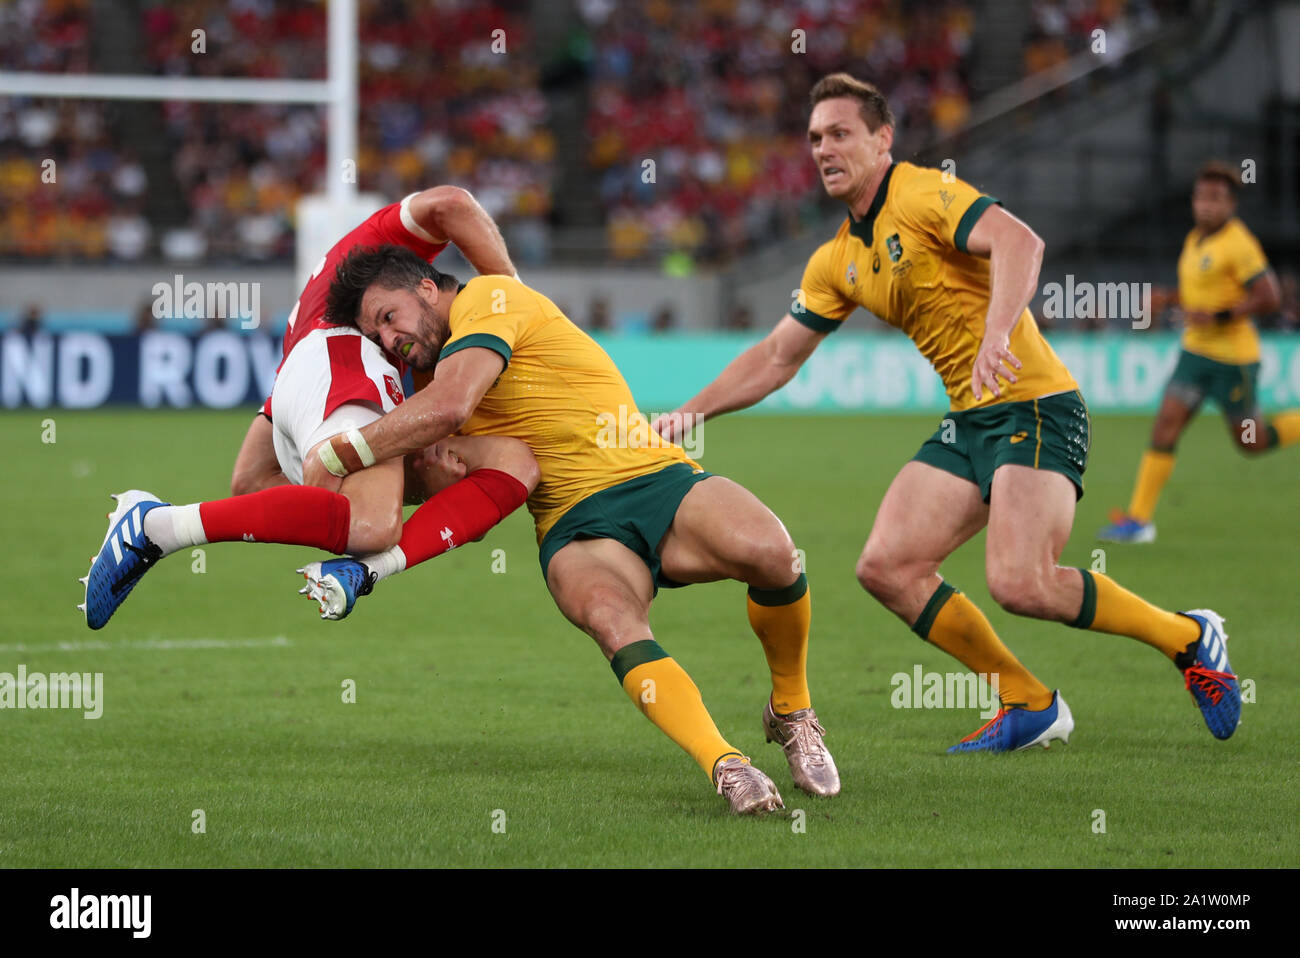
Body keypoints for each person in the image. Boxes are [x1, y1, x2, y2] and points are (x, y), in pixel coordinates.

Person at [652, 73, 1240, 750]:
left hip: (1036, 403)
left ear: (882, 139)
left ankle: (1190, 637)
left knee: (1021, 582)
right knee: (887, 566)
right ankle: (1028, 701)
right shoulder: (837, 259)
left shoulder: (923, 192)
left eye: (840, 133)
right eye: (815, 138)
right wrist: (692, 412)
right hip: (972, 420)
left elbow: (1021, 242)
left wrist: (998, 331)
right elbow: (778, 356)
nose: (823, 149)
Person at [301, 246, 840, 814]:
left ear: (428, 289)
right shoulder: (422, 384)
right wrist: (427, 479)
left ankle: (792, 712)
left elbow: (453, 406)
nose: (391, 340)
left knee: (775, 554)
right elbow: (455, 488)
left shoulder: (488, 296)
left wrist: (340, 454)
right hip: (569, 521)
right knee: (613, 621)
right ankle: (725, 765)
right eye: (377, 335)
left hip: (650, 475)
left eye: (390, 317)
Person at [82, 188, 538, 630]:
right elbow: (452, 203)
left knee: (509, 463)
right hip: (336, 362)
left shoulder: (365, 303)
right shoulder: (377, 256)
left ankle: (364, 569)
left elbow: (251, 476)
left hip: (301, 374)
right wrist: (515, 297)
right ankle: (156, 527)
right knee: (372, 525)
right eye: (382, 321)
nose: (389, 333)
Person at [1098, 162, 1297, 543]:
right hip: (1195, 353)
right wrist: (1169, 298)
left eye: (1216, 199)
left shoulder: (1239, 244)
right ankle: (1139, 521)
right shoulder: (1195, 240)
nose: (1206, 205)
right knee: (1165, 425)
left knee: (1251, 443)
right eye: (1202, 197)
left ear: (1231, 205)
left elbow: (1269, 297)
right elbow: (1199, 296)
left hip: (1233, 361)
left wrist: (1221, 316)